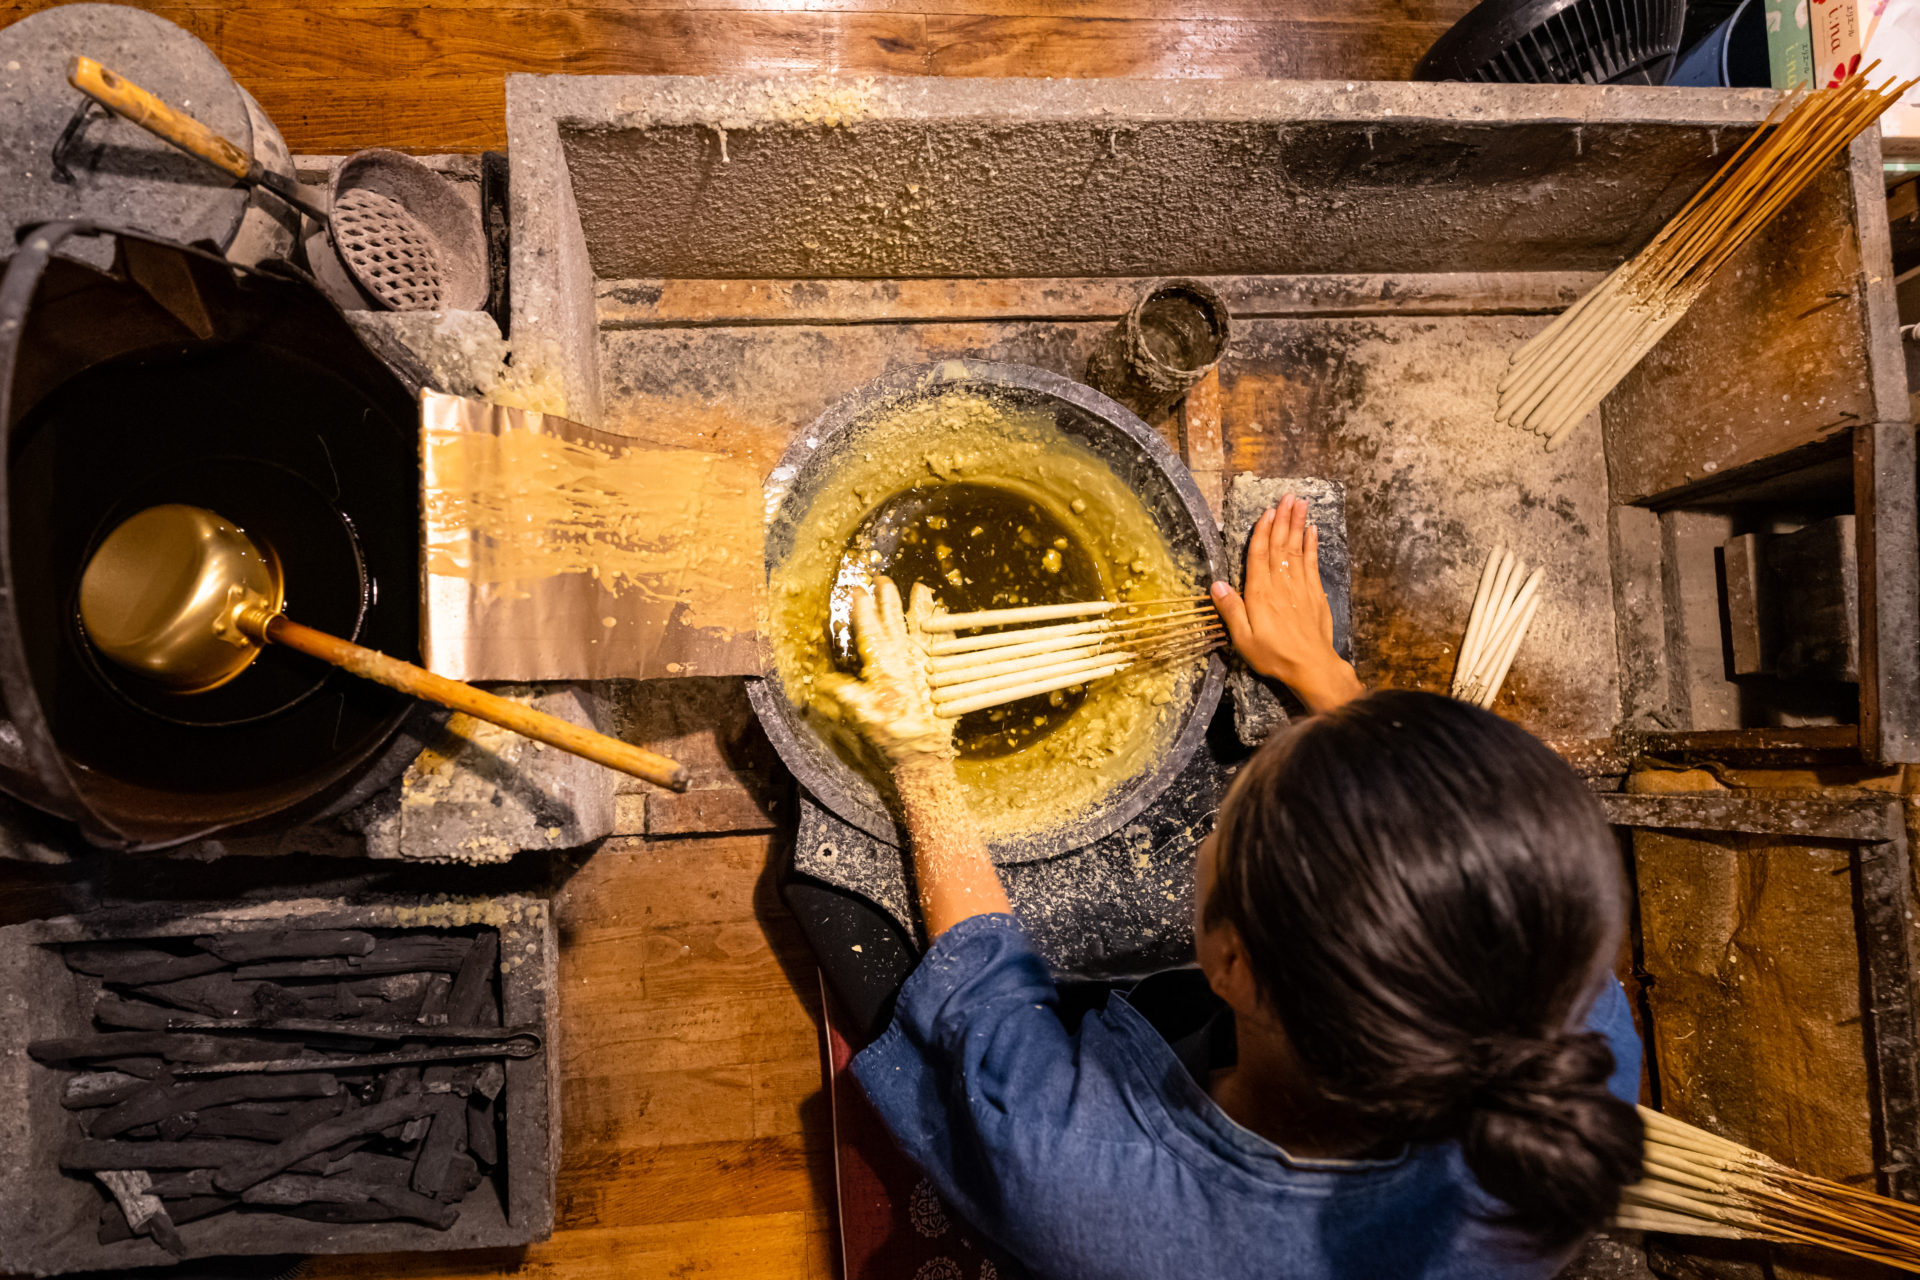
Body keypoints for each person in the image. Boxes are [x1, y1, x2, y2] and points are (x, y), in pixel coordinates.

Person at [815, 495, 1644, 1280]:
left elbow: (986, 1001)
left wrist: (920, 756)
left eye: (1225, 822)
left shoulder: (1084, 1178)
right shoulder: (1569, 1038)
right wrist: (1326, 680)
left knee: (840, 904)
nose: (1214, 821)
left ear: (1232, 966)